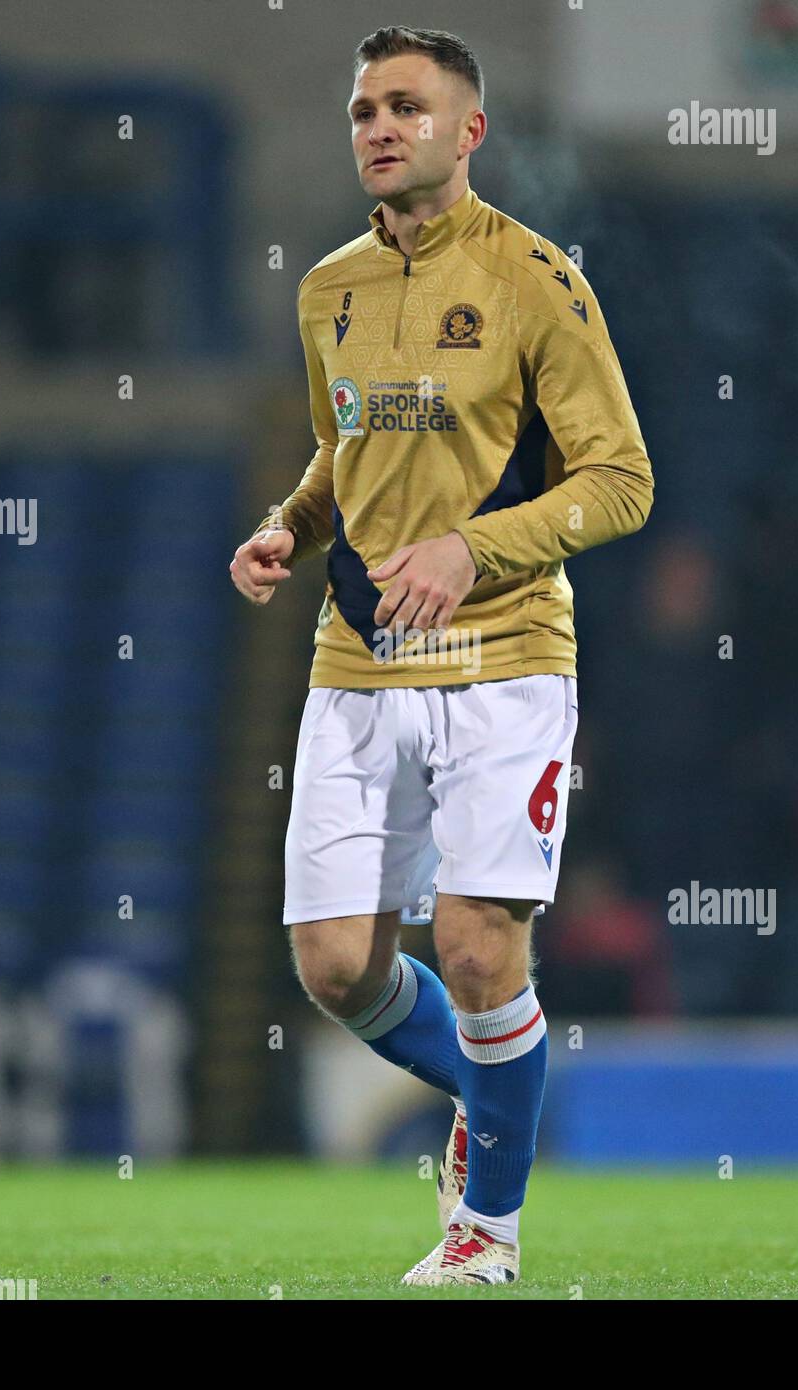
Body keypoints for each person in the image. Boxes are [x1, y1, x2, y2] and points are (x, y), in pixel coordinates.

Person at [228, 26, 655, 1284]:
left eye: (406, 106)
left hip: (504, 656)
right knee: (336, 966)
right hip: (357, 658)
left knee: (476, 950)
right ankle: (496, 1084)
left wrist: (473, 550)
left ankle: (485, 1233)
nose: (377, 126)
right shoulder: (328, 289)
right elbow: (341, 451)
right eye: (363, 107)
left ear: (468, 132)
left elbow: (621, 479)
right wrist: (287, 527)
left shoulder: (535, 280)